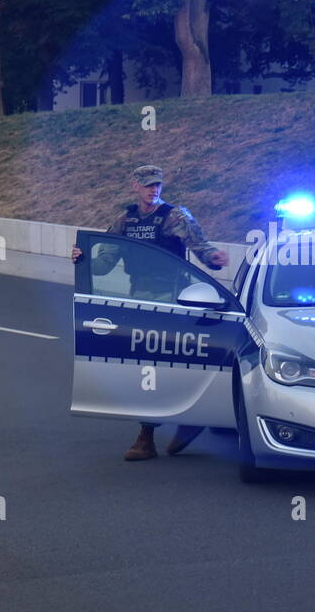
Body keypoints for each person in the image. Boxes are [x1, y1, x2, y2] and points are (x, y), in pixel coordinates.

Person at [71, 165, 229, 461]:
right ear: (135, 186)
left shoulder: (174, 216)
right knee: (148, 367)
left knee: (164, 364)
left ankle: (150, 435)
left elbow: (200, 246)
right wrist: (81, 258)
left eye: (157, 185)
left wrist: (216, 260)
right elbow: (103, 262)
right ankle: (182, 423)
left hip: (175, 299)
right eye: (147, 185)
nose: (153, 189)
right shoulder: (125, 220)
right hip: (140, 298)